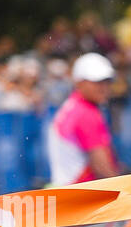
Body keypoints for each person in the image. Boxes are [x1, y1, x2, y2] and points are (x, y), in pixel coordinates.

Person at [47, 53, 120, 185]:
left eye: (107, 81)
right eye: (97, 82)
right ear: (79, 83)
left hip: (66, 189)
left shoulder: (72, 106)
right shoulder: (86, 113)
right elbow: (103, 169)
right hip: (80, 193)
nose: (104, 87)